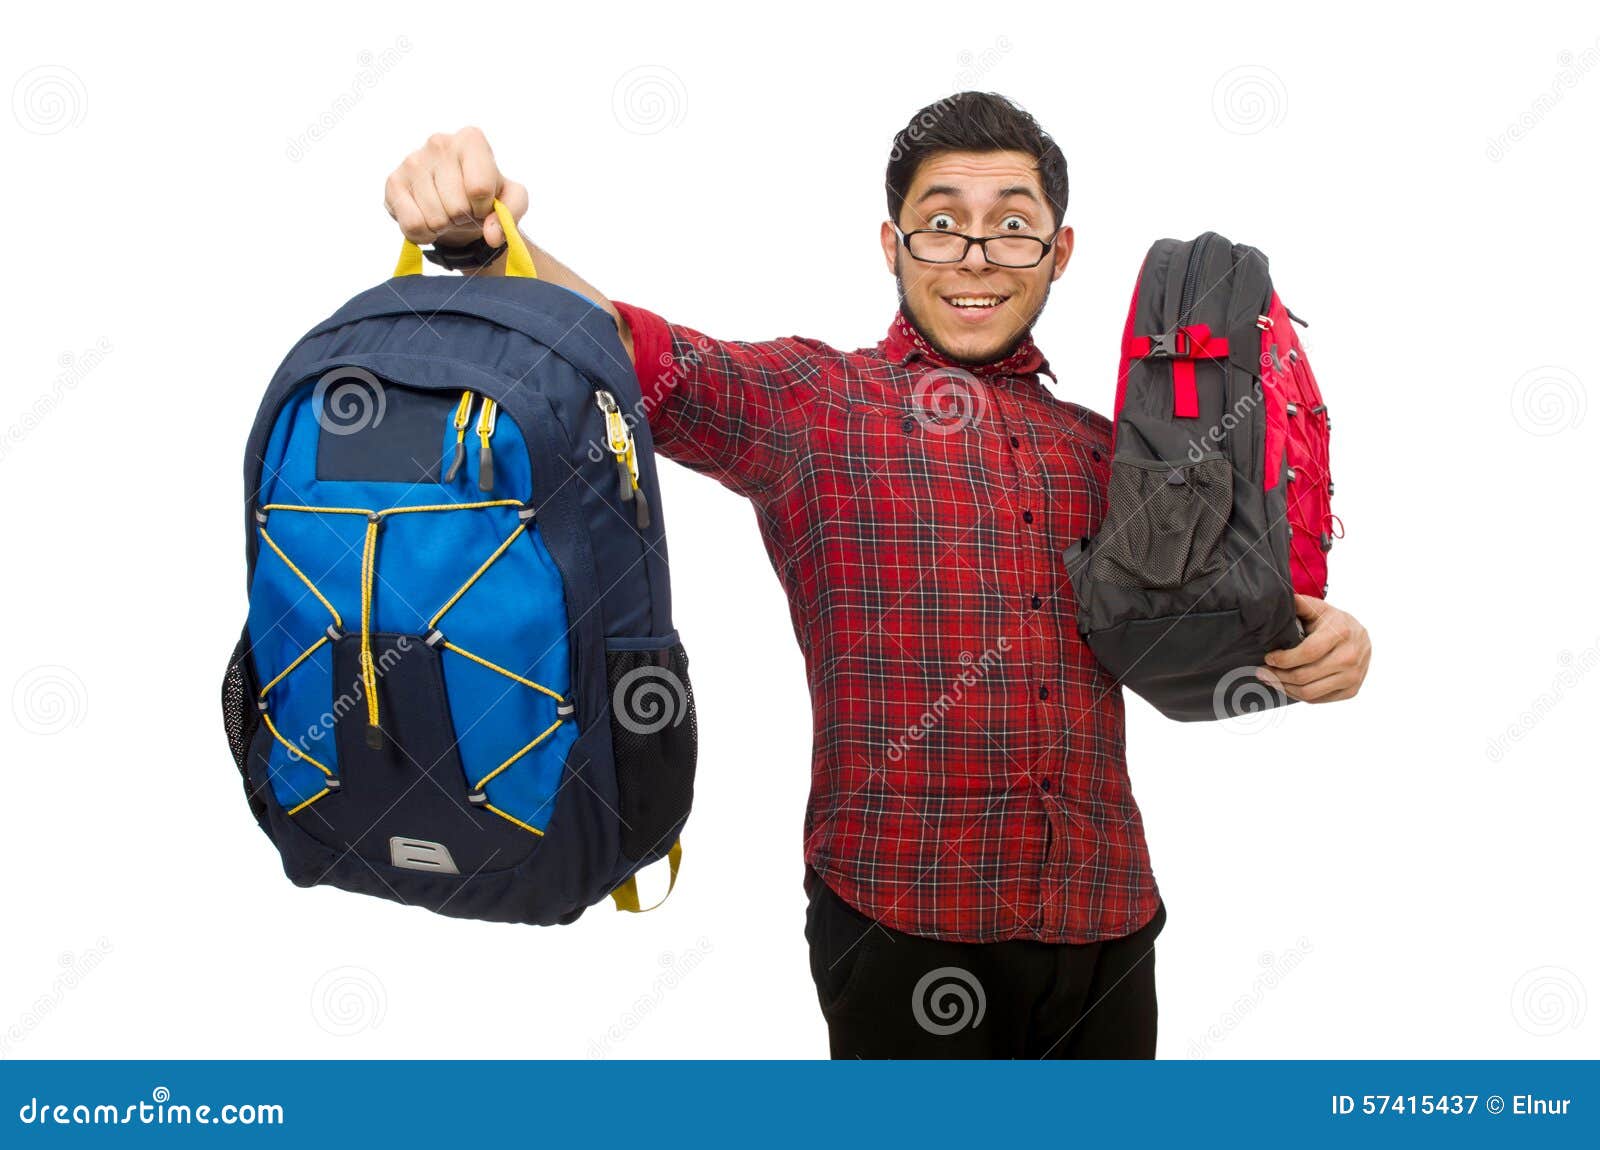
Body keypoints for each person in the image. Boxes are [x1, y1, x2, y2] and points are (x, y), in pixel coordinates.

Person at [382, 93, 1372, 1058]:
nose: (975, 256)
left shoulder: (1110, 454)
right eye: (941, 224)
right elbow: (643, 358)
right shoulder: (816, 405)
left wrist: (1314, 644)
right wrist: (479, 242)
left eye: (1012, 226)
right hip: (899, 923)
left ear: (1058, 252)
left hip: (1107, 918)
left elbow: (1175, 656)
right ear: (893, 246)